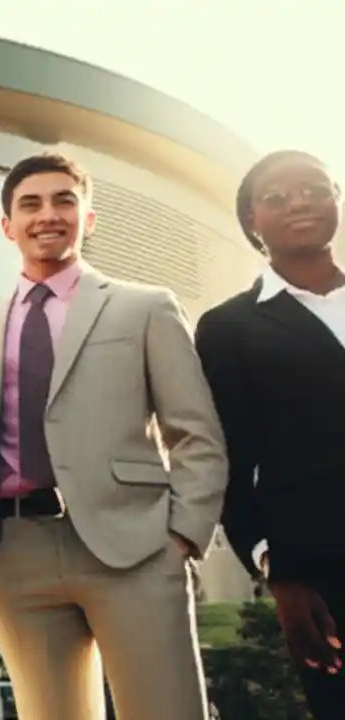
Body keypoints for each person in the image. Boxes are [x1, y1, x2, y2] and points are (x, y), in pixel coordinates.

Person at [0, 151, 226, 720]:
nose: (48, 215)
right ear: (7, 226)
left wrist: (182, 538)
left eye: (64, 200)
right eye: (30, 204)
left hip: (134, 547)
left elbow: (195, 434)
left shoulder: (144, 307)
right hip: (16, 552)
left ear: (88, 218)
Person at [195, 150, 345, 717]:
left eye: (313, 188)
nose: (298, 202)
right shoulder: (229, 328)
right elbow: (229, 458)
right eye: (275, 198)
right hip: (324, 572)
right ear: (252, 222)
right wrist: (278, 574)